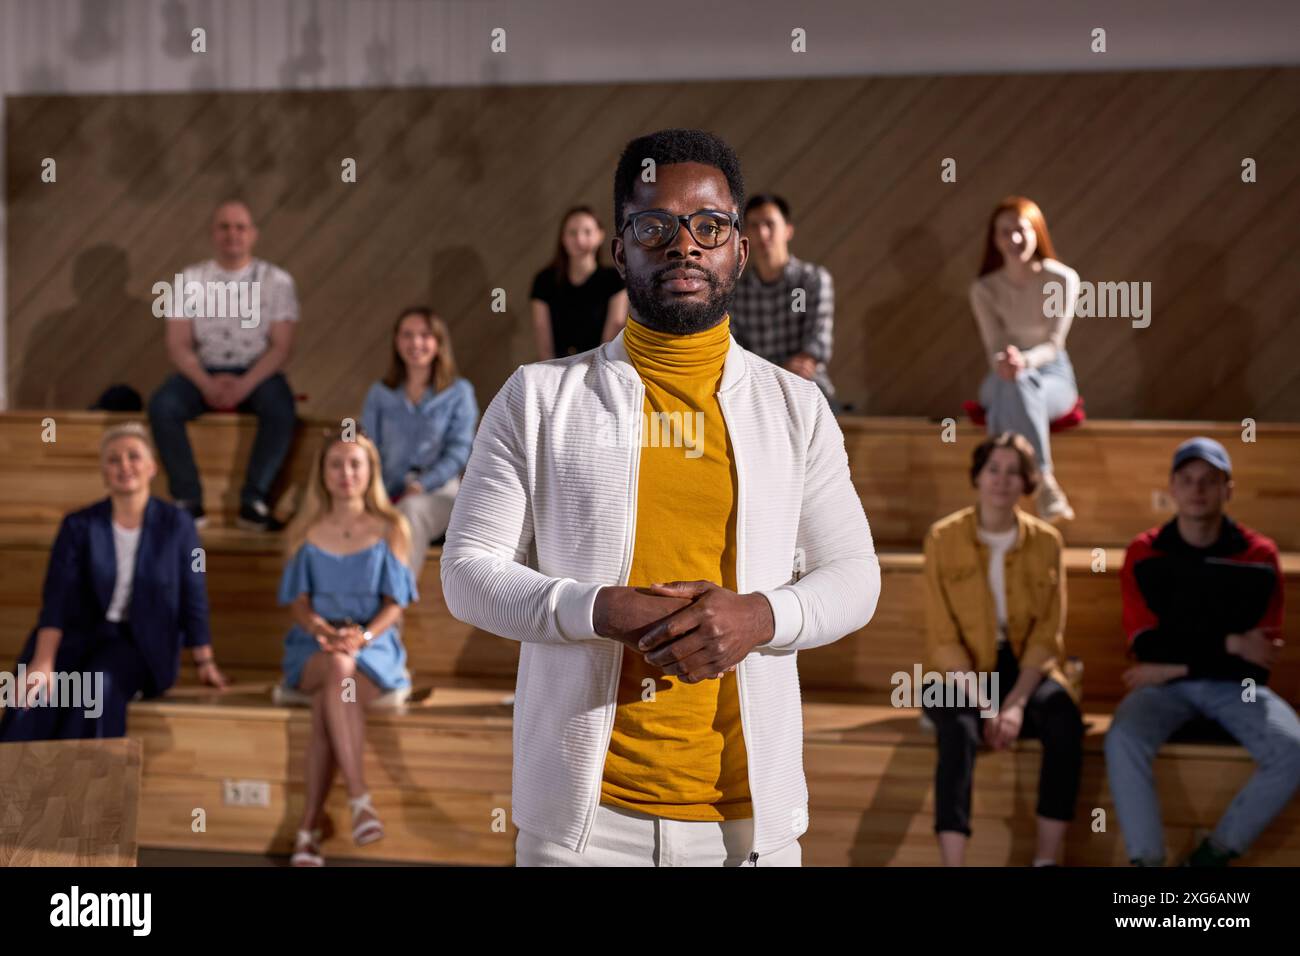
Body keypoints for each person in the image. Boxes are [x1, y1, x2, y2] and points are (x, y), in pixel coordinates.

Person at [442, 128, 880, 867]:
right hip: (580, 829)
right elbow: (466, 575)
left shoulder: (796, 407)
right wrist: (599, 609)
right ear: (621, 251)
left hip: (747, 827)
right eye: (655, 226)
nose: (685, 245)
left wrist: (761, 616)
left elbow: (857, 578)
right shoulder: (539, 398)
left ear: (738, 248)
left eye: (709, 226)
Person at [1106, 437, 1300, 866]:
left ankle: (1214, 854)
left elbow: (1260, 662)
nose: (1198, 490)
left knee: (1293, 748)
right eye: (1188, 480)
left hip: (1237, 687)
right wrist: (1229, 643)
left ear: (1228, 489)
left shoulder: (1259, 554)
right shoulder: (1143, 552)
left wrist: (1172, 664)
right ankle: (1146, 861)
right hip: (1162, 689)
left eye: (1209, 481)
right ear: (1172, 488)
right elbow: (1146, 646)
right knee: (1123, 736)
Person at [0, 423, 226, 742]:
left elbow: (194, 590)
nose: (124, 466)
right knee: (32, 693)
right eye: (113, 459)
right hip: (78, 634)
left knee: (96, 687)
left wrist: (205, 661)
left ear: (152, 467)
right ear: (103, 472)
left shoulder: (180, 526)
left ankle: (80, 789)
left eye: (134, 456)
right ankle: (12, 787)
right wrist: (42, 662)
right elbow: (57, 597)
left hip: (139, 643)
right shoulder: (77, 525)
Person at [922, 432, 1083, 866]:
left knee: (1066, 721)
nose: (1002, 480)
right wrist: (988, 706)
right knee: (959, 731)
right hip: (960, 674)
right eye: (994, 469)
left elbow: (1048, 634)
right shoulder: (942, 537)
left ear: (1028, 482)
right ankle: (953, 863)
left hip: (1025, 670)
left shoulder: (1048, 541)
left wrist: (1013, 704)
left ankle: (1046, 859)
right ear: (977, 475)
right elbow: (942, 637)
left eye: (1014, 472)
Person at [277, 429, 419, 867]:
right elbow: (299, 604)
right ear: (322, 472)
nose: (346, 473)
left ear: (370, 470)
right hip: (313, 647)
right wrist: (323, 630)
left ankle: (306, 832)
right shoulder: (304, 529)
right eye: (336, 464)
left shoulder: (392, 527)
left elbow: (395, 606)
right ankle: (358, 798)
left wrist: (363, 637)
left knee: (331, 703)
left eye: (355, 463)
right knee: (337, 668)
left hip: (373, 648)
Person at [148, 199, 300, 530]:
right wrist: (206, 383)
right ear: (213, 234)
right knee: (163, 406)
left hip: (257, 371)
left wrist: (244, 385)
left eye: (240, 227)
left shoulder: (277, 281)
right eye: (224, 227)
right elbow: (177, 345)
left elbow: (281, 347)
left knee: (281, 407)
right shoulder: (189, 280)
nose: (233, 234)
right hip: (202, 370)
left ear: (253, 234)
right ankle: (188, 499)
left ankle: (254, 500)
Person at [968, 196, 1080, 523]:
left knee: (1019, 385)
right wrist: (1007, 363)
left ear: (1037, 233)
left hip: (1053, 375)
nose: (1014, 239)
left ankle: (992, 487)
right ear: (994, 239)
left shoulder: (1063, 279)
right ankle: (1045, 484)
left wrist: (1024, 363)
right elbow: (993, 348)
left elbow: (1054, 344)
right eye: (1005, 232)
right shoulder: (984, 289)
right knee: (1011, 384)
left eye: (1021, 230)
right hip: (1001, 373)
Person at [361, 307, 478, 578]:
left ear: (438, 342)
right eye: (407, 335)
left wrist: (421, 484)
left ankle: (391, 608)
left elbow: (460, 451)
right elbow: (368, 449)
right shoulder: (380, 393)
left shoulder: (459, 392)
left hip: (440, 494)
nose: (415, 343)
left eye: (425, 335)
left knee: (410, 512)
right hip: (385, 491)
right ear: (396, 341)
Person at [731, 194, 836, 401]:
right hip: (756, 392)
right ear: (745, 236)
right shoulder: (737, 292)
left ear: (788, 230)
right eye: (754, 225)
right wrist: (778, 371)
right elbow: (736, 353)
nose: (762, 233)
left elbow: (817, 344)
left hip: (808, 387)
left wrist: (779, 372)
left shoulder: (811, 280)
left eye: (770, 224)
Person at [529, 205, 629, 359]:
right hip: (555, 370)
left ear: (600, 235)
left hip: (601, 366)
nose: (579, 239)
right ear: (563, 238)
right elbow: (543, 338)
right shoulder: (544, 281)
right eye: (572, 233)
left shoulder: (614, 279)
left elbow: (612, 333)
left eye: (587, 232)